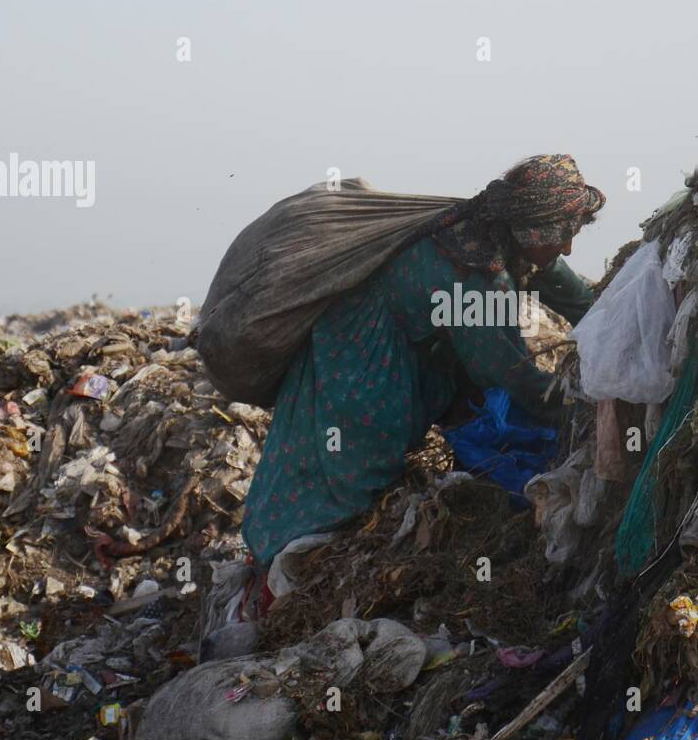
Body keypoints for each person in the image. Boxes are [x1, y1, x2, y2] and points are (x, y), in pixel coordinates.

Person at [238, 154, 605, 604]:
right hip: (361, 352)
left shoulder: (497, 229)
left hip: (402, 342)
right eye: (562, 237)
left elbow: (574, 296)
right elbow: (503, 371)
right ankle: (285, 574)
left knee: (333, 454)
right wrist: (575, 406)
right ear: (532, 232)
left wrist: (612, 322)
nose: (568, 248)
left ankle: (285, 558)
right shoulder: (475, 275)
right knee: (345, 466)